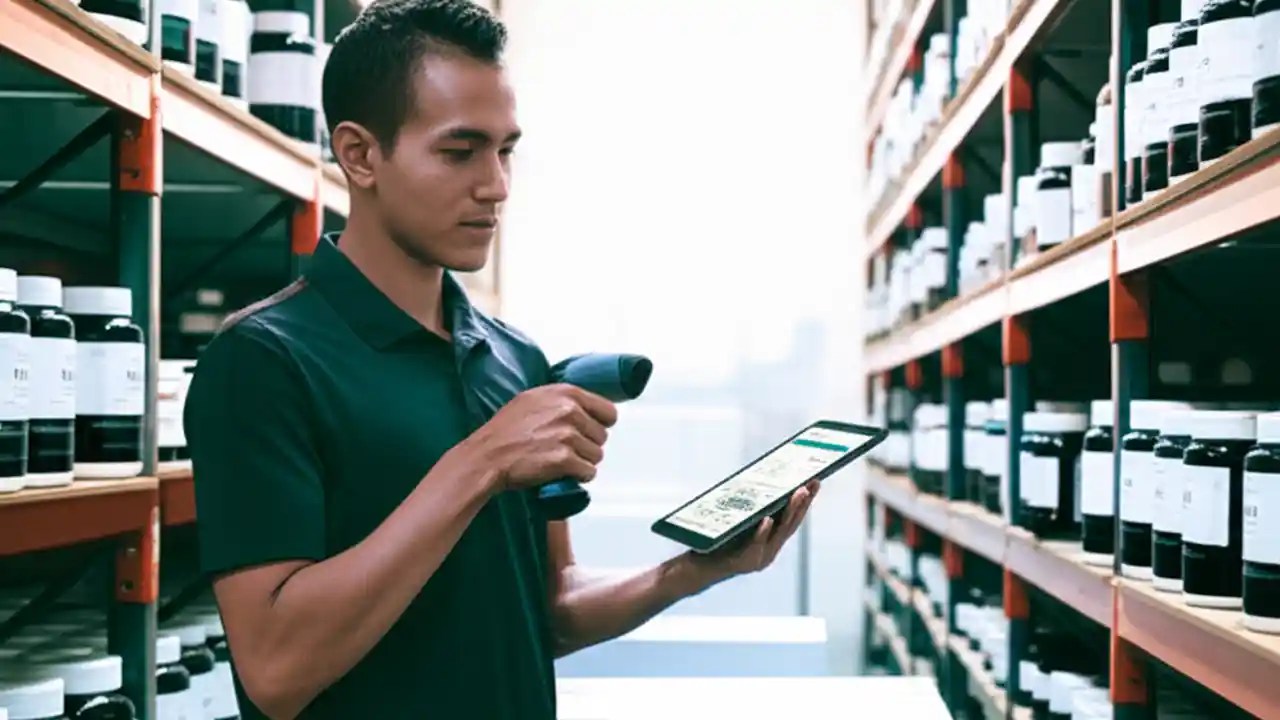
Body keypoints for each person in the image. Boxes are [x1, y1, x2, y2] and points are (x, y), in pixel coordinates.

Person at [183, 1, 819, 718]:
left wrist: (684, 573)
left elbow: (547, 606)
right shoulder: (263, 362)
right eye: (460, 152)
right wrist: (481, 463)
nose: (496, 185)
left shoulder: (513, 358)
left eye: (505, 150)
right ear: (359, 155)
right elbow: (275, 671)